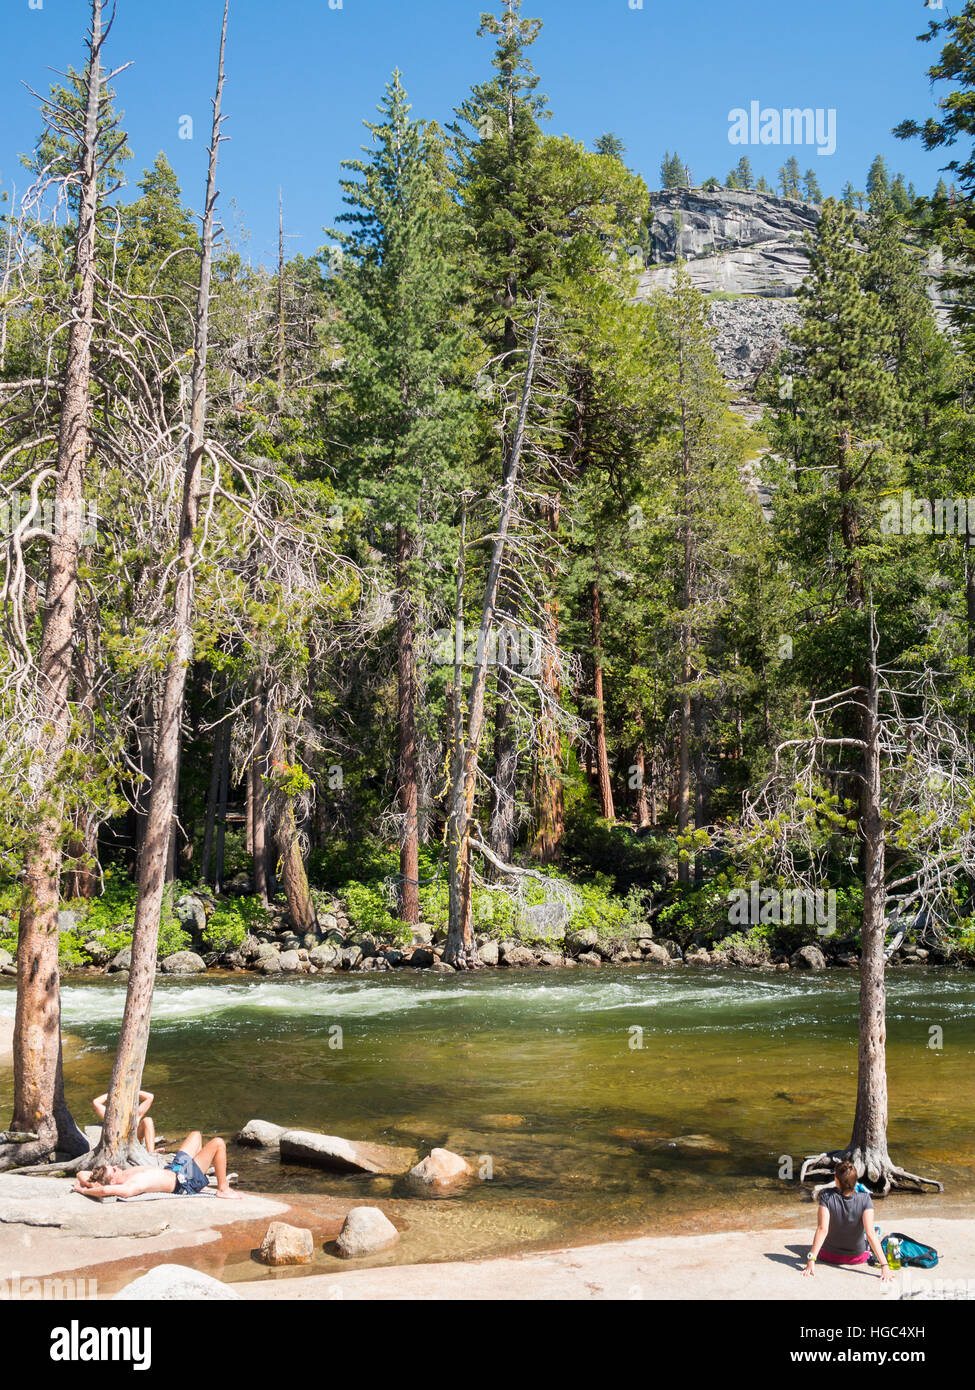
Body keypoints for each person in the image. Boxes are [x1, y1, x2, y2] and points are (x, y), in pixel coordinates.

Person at [73, 1131, 241, 1200]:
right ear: (113, 1181)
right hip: (184, 1180)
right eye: (114, 1170)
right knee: (218, 1143)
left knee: (196, 1135)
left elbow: (81, 1173)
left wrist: (89, 1182)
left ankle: (201, 1179)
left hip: (175, 1168)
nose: (117, 1167)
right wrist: (84, 1191)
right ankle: (223, 1189)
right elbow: (104, 1190)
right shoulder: (130, 1186)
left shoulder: (121, 1176)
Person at [801, 1160, 892, 1280]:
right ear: (856, 1181)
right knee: (874, 1230)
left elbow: (822, 1229)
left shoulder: (826, 1197)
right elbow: (870, 1234)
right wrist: (884, 1266)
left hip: (828, 1255)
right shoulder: (865, 1199)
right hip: (858, 1258)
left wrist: (811, 1259)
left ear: (836, 1180)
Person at [93, 1089, 157, 1154]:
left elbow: (150, 1097)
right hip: (119, 1142)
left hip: (134, 1139)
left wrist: (131, 1090)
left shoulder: (135, 1114)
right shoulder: (111, 1115)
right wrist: (114, 1092)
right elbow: (96, 1102)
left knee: (148, 1120)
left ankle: (151, 1153)